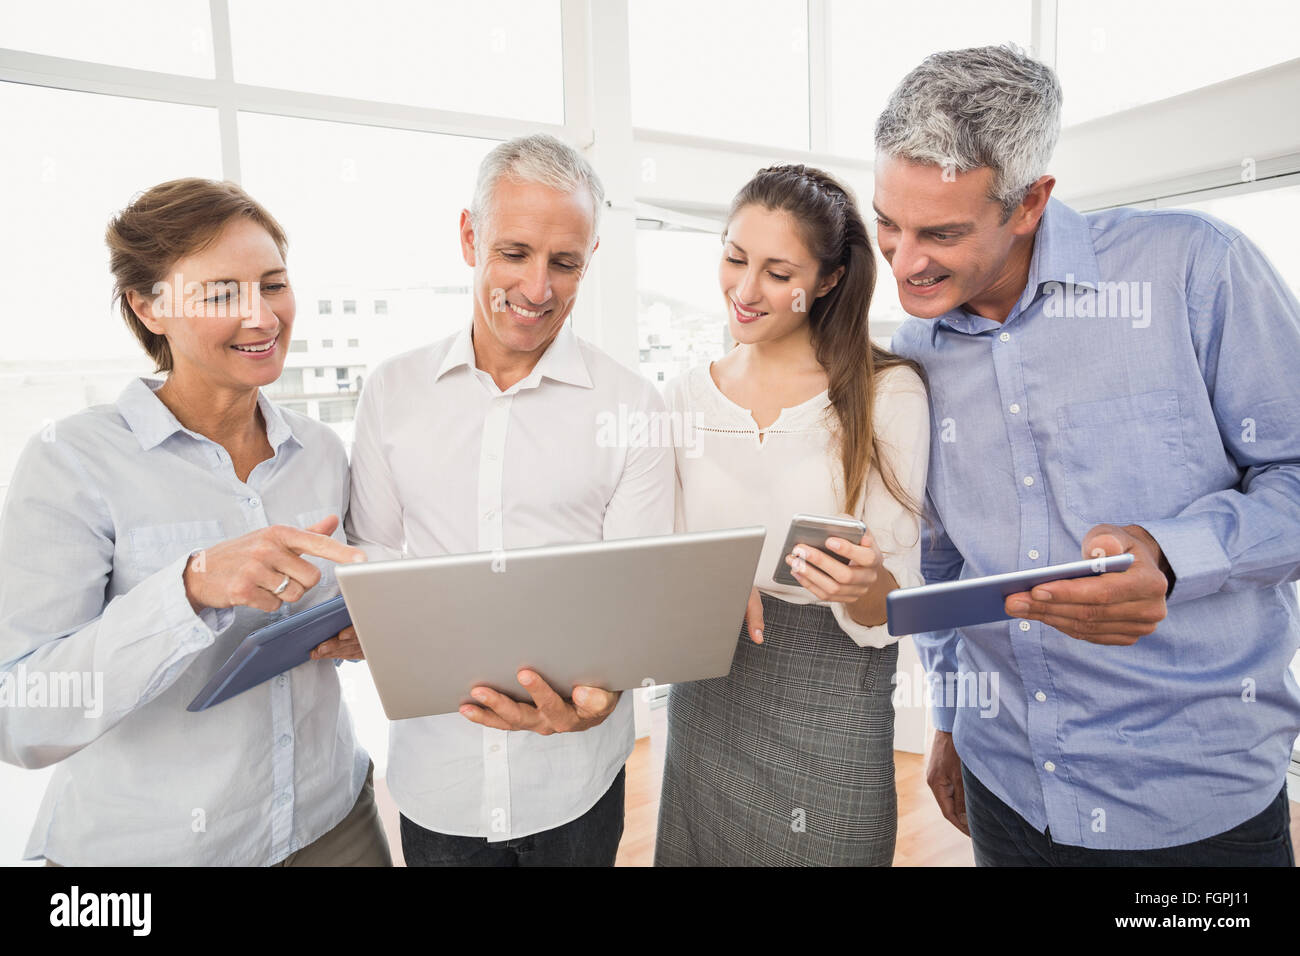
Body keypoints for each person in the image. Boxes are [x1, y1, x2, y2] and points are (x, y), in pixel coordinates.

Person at [880, 45, 1299, 865]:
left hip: (1193, 804)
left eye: (942, 232)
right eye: (887, 223)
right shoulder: (916, 348)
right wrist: (950, 719)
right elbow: (942, 561)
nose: (904, 262)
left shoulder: (1194, 270)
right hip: (1009, 790)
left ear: (1030, 202)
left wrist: (1174, 557)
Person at [0, 178, 390, 867]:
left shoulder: (322, 451)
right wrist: (189, 588)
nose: (263, 317)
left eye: (273, 284)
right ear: (149, 308)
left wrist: (363, 632)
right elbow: (21, 716)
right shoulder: (73, 462)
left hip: (333, 822)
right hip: (152, 851)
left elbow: (339, 611)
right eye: (221, 295)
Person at [328, 134, 674, 866]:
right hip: (437, 782)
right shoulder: (392, 393)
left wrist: (606, 692)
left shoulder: (634, 406)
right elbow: (380, 571)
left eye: (565, 262)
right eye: (514, 253)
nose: (538, 287)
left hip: (575, 782)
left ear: (591, 259)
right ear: (469, 237)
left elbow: (633, 594)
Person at [653, 164, 930, 866]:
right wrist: (695, 582)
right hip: (709, 697)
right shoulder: (681, 398)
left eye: (779, 272)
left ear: (830, 280)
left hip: (833, 705)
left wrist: (863, 584)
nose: (745, 291)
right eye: (734, 258)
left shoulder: (887, 394)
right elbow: (654, 553)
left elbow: (895, 607)